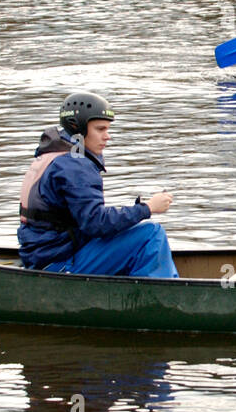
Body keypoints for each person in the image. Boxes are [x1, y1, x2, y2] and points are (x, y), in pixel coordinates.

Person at [18, 91, 179, 278]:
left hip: (42, 256)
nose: (107, 136)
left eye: (107, 129)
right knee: (151, 234)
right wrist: (148, 208)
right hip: (59, 262)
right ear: (78, 128)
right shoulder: (74, 165)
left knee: (132, 233)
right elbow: (96, 223)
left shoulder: (54, 155)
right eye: (100, 129)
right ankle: (162, 299)